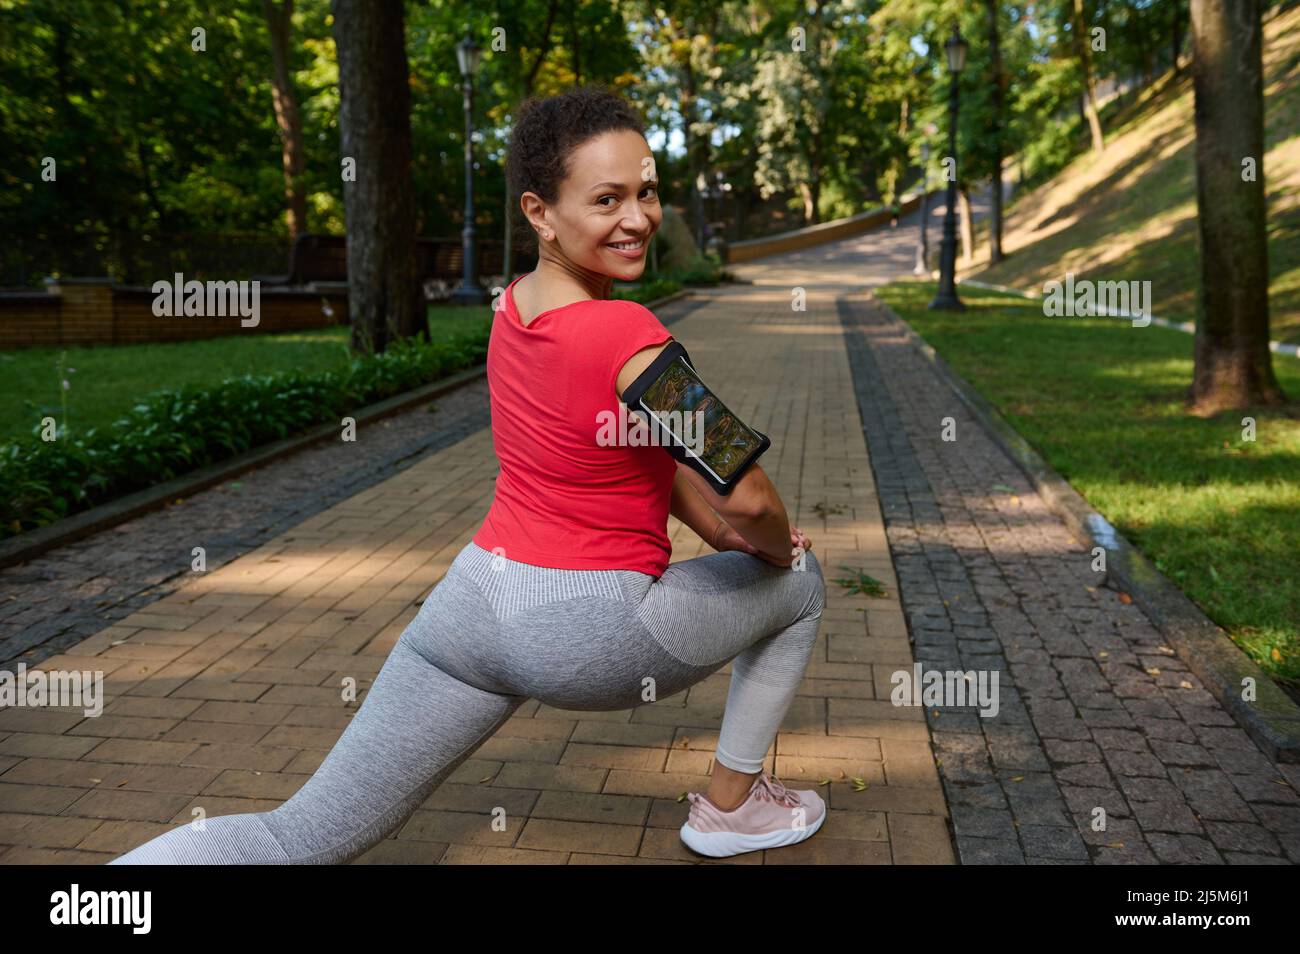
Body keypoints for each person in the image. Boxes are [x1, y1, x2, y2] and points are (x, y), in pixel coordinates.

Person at [108, 85, 826, 865]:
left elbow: (630, 449)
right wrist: (773, 547)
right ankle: (732, 808)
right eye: (607, 199)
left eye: (646, 191)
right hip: (590, 629)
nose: (638, 218)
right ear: (540, 213)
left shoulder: (511, 308)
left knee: (302, 834)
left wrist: (720, 534)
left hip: (472, 609)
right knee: (806, 583)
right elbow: (747, 489)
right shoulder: (629, 332)